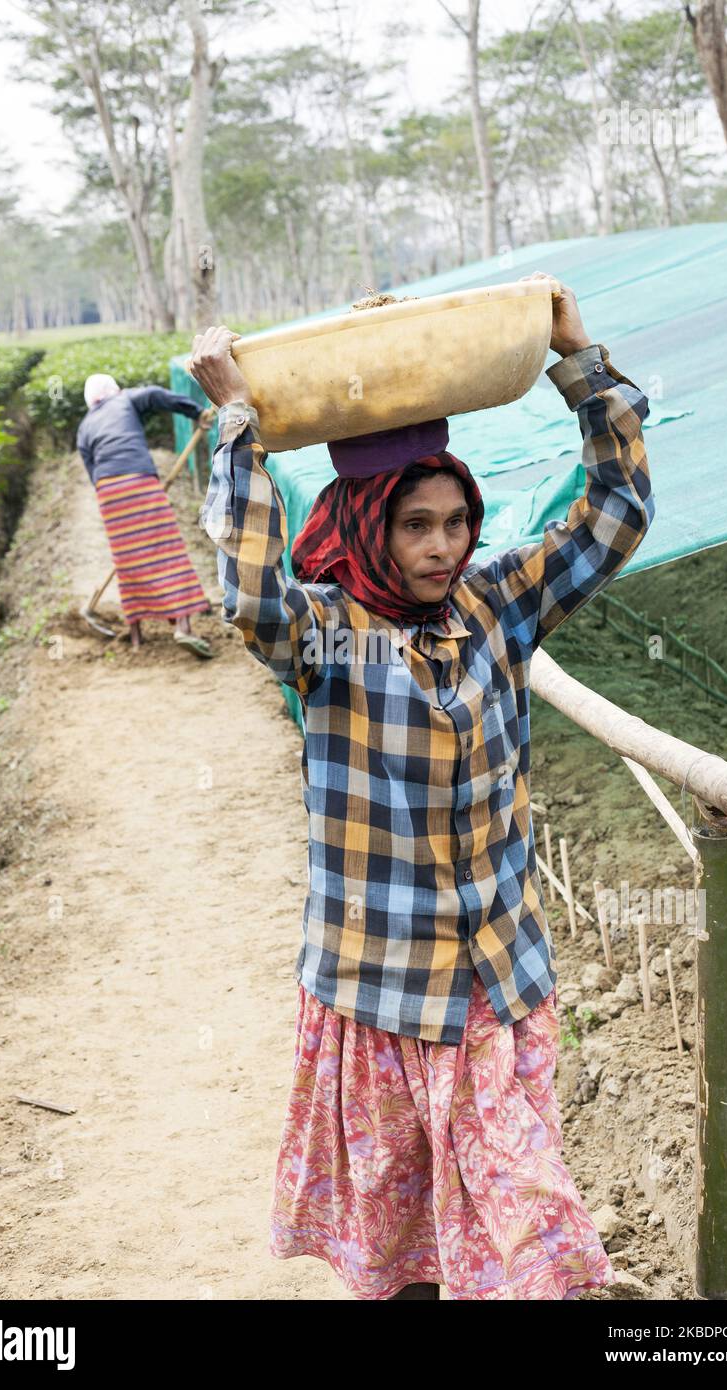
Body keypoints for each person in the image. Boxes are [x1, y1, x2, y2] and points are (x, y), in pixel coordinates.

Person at [188, 272, 655, 1301]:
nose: (443, 544)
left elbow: (616, 513)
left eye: (454, 519)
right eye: (415, 525)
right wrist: (238, 425)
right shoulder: (325, 637)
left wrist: (578, 363)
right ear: (368, 528)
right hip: (382, 997)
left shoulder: (497, 606)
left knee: (531, 1235)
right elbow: (249, 593)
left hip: (497, 989)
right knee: (403, 1255)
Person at [76, 373, 217, 656]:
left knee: (128, 558)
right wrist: (196, 411)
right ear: (113, 391)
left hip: (108, 491)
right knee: (167, 550)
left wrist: (115, 492)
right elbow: (156, 395)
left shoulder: (84, 426)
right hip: (139, 479)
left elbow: (91, 468)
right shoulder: (125, 399)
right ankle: (182, 626)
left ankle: (138, 637)